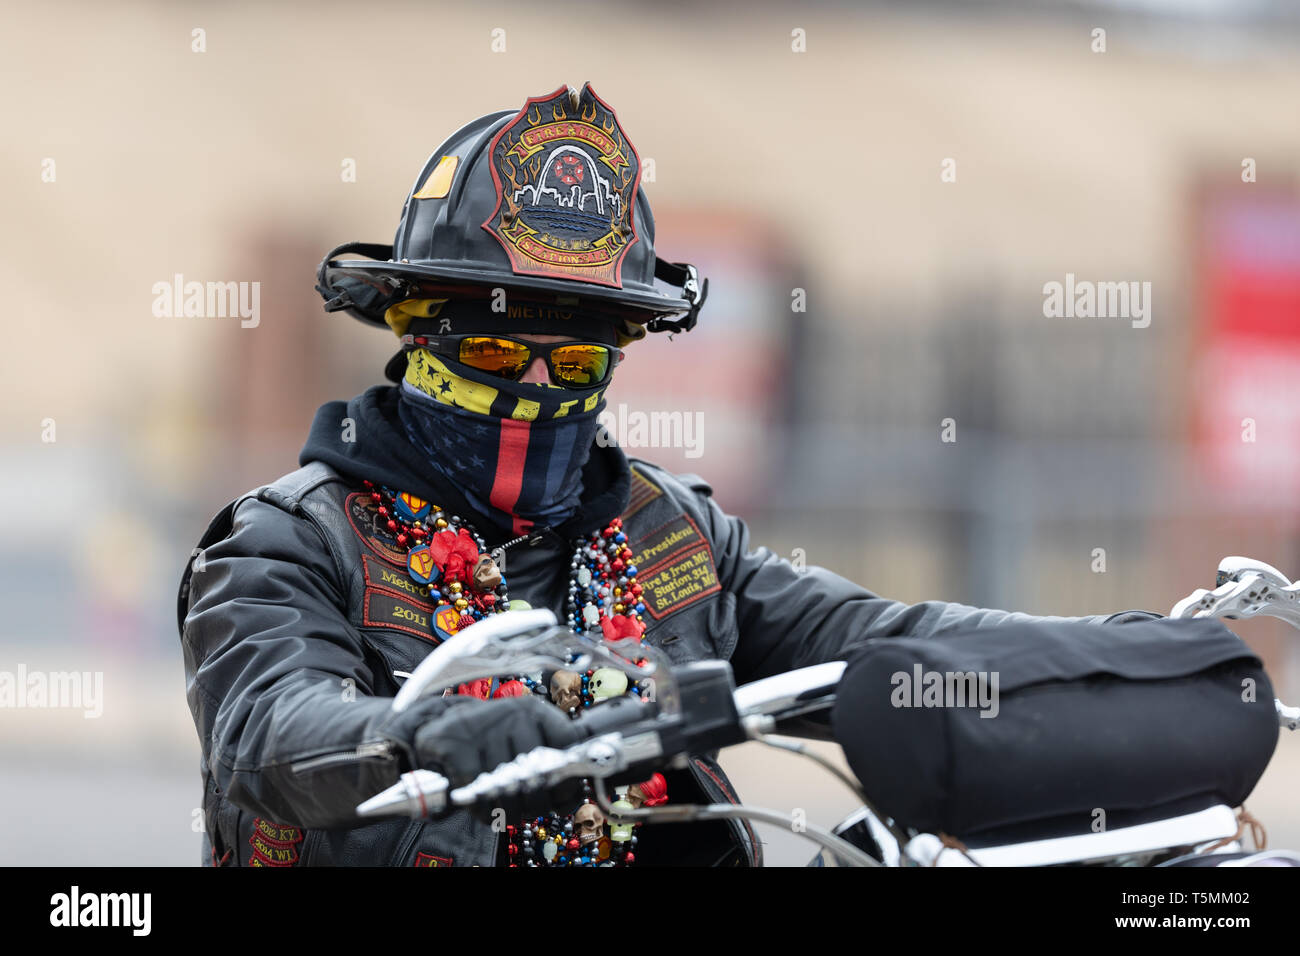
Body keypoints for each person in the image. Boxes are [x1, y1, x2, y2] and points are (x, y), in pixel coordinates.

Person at [177, 83, 1149, 867]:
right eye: (493, 349)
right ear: (414, 336)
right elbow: (271, 731)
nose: (533, 382)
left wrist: (1124, 652)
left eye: (574, 360)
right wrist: (415, 733)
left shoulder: (673, 535)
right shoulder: (288, 537)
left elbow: (885, 642)